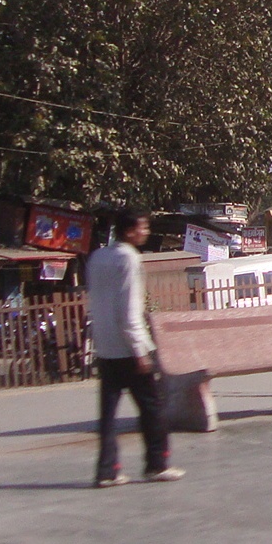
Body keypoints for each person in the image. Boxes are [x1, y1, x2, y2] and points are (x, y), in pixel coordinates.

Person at [86, 208, 183, 487]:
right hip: (129, 349)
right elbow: (129, 311)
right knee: (153, 408)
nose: (147, 232)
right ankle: (157, 463)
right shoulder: (129, 259)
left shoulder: (98, 256)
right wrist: (140, 350)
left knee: (107, 415)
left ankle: (107, 470)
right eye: (143, 227)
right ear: (130, 231)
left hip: (105, 346)